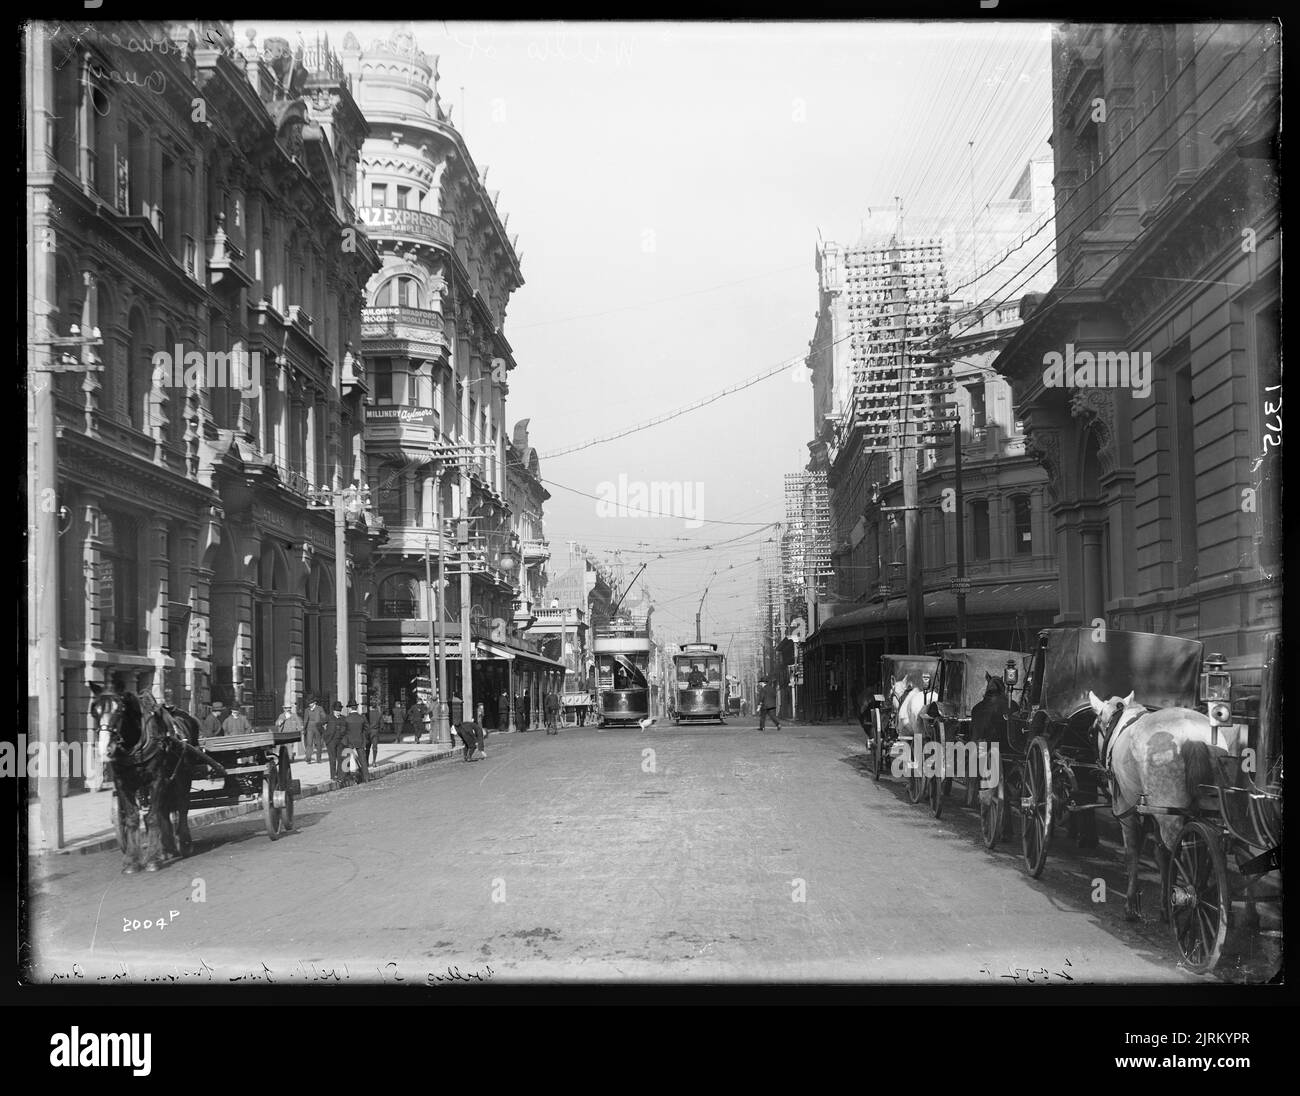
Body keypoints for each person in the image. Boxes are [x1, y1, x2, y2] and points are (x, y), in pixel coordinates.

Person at [344, 701, 369, 783]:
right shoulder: (362, 718)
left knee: (346, 759)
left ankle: (347, 777)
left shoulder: (347, 718)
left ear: (350, 708)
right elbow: (367, 729)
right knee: (363, 760)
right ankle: (366, 777)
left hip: (350, 741)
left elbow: (344, 730)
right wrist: (363, 737)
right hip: (360, 740)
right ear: (357, 708)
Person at [325, 701, 347, 780]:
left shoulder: (344, 718)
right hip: (331, 741)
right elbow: (318, 725)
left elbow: (347, 729)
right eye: (337, 711)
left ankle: (339, 774)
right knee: (332, 759)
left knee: (340, 758)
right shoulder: (329, 717)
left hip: (340, 741)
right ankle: (333, 775)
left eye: (339, 710)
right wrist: (325, 734)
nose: (338, 712)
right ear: (334, 710)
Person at [303, 695, 328, 765]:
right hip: (309, 728)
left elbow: (324, 717)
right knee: (309, 743)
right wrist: (303, 729)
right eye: (309, 703)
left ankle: (318, 759)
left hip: (318, 728)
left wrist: (321, 722)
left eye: (311, 703)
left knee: (318, 744)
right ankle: (308, 758)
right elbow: (305, 720)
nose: (309, 704)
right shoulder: (307, 710)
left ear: (314, 703)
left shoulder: (319, 708)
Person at [365, 699, 383, 767]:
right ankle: (374, 761)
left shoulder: (367, 713)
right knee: (375, 747)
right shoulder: (379, 713)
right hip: (375, 731)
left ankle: (366, 762)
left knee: (367, 747)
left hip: (367, 731)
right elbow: (382, 725)